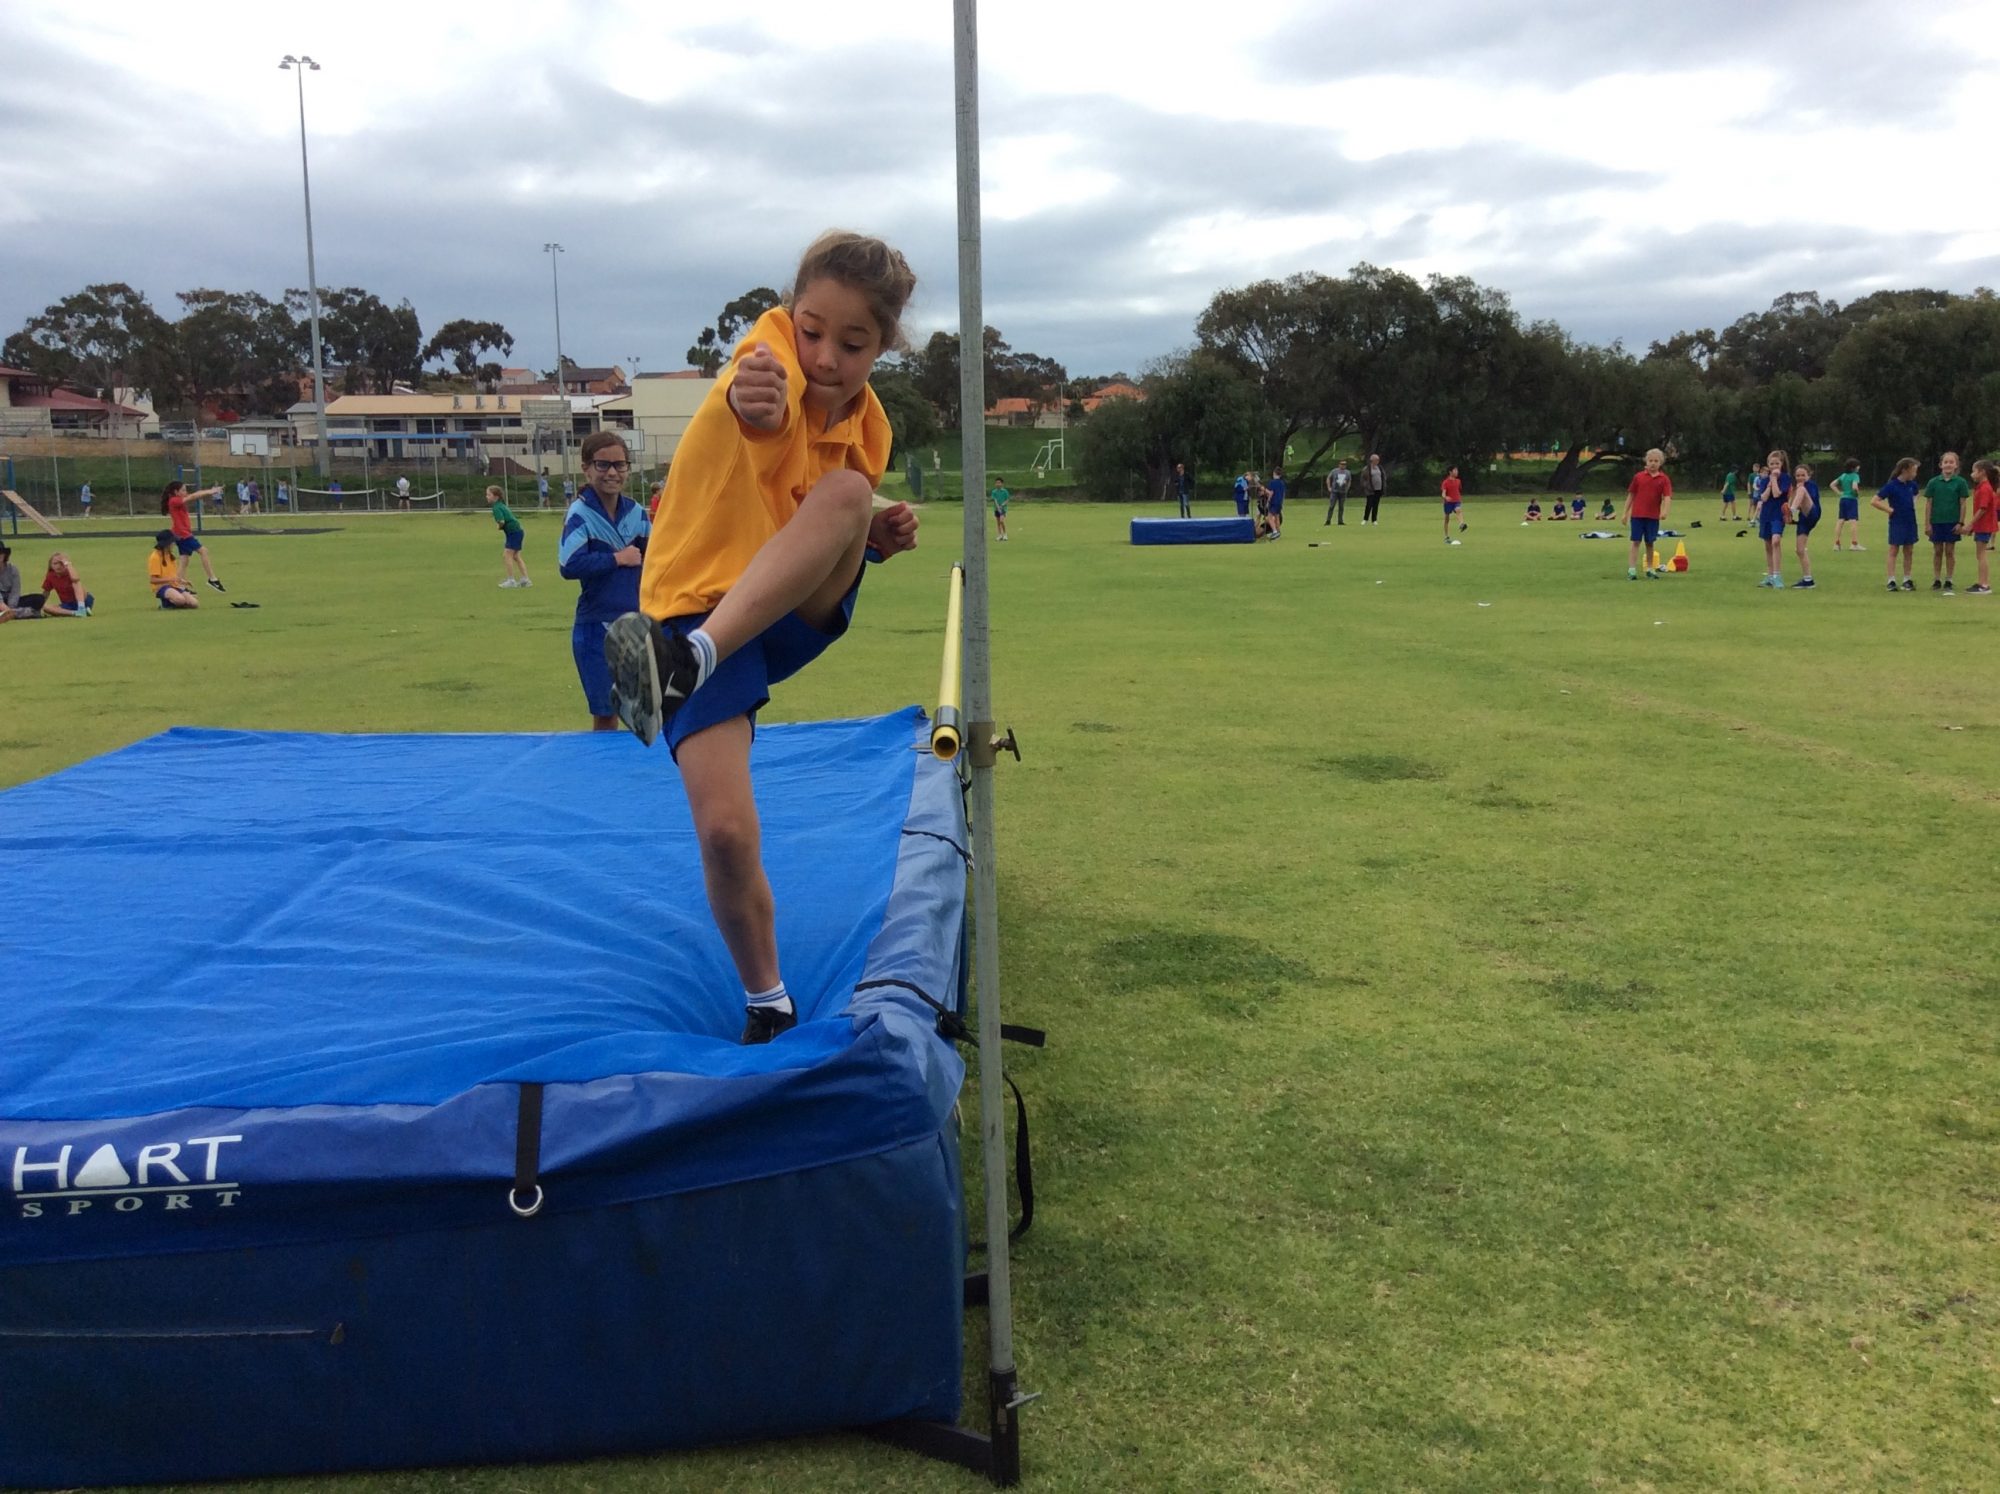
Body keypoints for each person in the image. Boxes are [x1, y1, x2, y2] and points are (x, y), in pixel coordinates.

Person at [601, 231, 920, 1045]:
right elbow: (761, 401)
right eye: (812, 330)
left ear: (885, 345)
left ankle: (687, 665)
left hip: (768, 616)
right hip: (691, 604)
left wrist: (870, 538)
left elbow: (810, 513)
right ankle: (768, 1002)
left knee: (850, 494)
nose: (825, 356)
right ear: (790, 315)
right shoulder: (766, 355)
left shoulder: (872, 426)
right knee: (726, 832)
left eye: (854, 343)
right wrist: (759, 398)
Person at [159, 480, 226, 591]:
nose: (185, 492)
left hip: (181, 533)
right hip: (183, 534)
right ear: (176, 492)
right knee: (203, 551)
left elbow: (195, 495)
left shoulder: (177, 500)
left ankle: (179, 585)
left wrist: (211, 491)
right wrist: (211, 491)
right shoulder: (174, 500)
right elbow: (194, 496)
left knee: (184, 560)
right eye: (183, 490)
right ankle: (212, 579)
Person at [1872, 457, 1922, 592]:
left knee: (1909, 550)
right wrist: (1889, 510)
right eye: (1914, 470)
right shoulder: (1892, 486)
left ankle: (1907, 579)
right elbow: (1875, 501)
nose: (1915, 474)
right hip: (1897, 521)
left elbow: (1917, 494)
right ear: (1905, 470)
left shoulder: (1912, 485)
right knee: (1894, 550)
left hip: (1910, 521)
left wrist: (1913, 503)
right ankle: (1891, 580)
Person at [1922, 451, 1969, 592]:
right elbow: (1929, 503)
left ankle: (1949, 579)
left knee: (1949, 551)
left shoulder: (1960, 482)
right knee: (1937, 550)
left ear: (1956, 465)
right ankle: (1937, 579)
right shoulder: (1933, 482)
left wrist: (1960, 522)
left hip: (1952, 521)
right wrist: (1927, 523)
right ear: (1941, 465)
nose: (1948, 465)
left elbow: (1963, 503)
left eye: (1951, 462)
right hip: (1936, 521)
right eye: (1946, 462)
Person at [1623, 448, 1672, 578]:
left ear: (1660, 463)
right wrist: (1625, 513)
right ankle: (1632, 569)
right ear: (1646, 461)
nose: (1653, 463)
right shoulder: (1638, 477)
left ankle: (1650, 568)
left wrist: (1665, 511)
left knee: (1650, 542)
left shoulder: (1663, 479)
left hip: (1653, 516)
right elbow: (1631, 495)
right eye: (1650, 461)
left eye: (1656, 461)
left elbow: (1667, 496)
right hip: (1637, 515)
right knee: (1635, 541)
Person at [1752, 450, 1791, 587]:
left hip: (1778, 514)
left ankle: (1777, 575)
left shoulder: (1785, 478)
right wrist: (1769, 484)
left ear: (1782, 464)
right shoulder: (1764, 480)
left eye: (1777, 463)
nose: (1774, 466)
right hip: (1766, 515)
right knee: (1768, 545)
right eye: (1771, 464)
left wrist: (1774, 480)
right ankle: (1769, 576)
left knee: (1776, 541)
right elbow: (1763, 497)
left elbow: (1777, 494)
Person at [487, 485, 531, 587]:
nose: (487, 497)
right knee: (515, 556)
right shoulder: (501, 505)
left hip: (513, 532)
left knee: (507, 555)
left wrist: (499, 526)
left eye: (489, 495)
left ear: (496, 497)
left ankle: (511, 580)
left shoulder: (496, 507)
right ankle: (525, 579)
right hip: (518, 531)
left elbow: (501, 521)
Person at [1965, 458, 1998, 595]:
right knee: (1980, 555)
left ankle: (1984, 585)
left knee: (1982, 555)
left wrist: (1970, 524)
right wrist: (1973, 526)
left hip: (1985, 526)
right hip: (1981, 526)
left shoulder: (1985, 488)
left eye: (1974, 471)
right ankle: (1981, 582)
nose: (1972, 474)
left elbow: (1983, 509)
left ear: (1982, 472)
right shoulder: (1981, 487)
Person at [1787, 462, 1822, 588]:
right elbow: (1792, 501)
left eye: (1803, 475)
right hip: (1803, 519)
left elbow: (1807, 499)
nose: (1800, 478)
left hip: (1812, 513)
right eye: (1798, 476)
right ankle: (1808, 580)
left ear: (1809, 475)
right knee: (1800, 550)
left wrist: (1792, 510)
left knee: (1801, 489)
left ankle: (1792, 512)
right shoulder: (1795, 488)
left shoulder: (1810, 485)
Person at [147, 530, 200, 609]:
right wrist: (171, 579)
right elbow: (153, 580)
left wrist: (181, 581)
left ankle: (176, 601)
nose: (174, 544)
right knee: (180, 600)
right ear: (166, 543)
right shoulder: (155, 557)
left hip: (173, 585)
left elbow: (173, 575)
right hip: (161, 587)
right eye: (172, 542)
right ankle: (165, 604)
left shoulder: (170, 556)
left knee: (194, 604)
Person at [40, 551, 93, 617]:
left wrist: (68, 564)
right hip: (67, 604)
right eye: (55, 563)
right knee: (45, 607)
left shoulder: (70, 571)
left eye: (61, 563)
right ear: (51, 565)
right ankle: (76, 613)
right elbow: (46, 592)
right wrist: (39, 606)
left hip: (83, 600)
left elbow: (76, 579)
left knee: (76, 583)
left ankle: (81, 608)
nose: (58, 566)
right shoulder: (51, 576)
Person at [1831, 459, 1864, 551]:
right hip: (1851, 500)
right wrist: (1857, 493)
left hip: (1843, 499)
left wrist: (1840, 493)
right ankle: (1854, 543)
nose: (1859, 467)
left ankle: (1836, 544)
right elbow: (1854, 487)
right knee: (1853, 521)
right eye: (1857, 466)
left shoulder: (1843, 475)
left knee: (1840, 520)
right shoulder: (1855, 476)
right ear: (1853, 467)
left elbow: (1832, 484)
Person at [0, 542, 34, 620]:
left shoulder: (13, 569)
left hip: (9, 601)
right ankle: (18, 613)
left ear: (5, 555)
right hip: (1, 603)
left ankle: (9, 613)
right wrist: (7, 610)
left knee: (38, 599)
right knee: (30, 610)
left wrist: (11, 607)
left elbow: (15, 591)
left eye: (0, 553)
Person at [1439, 465, 1463, 545]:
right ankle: (1446, 536)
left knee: (1458, 510)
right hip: (1448, 503)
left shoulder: (1458, 481)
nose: (1457, 472)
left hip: (1456, 501)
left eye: (1457, 470)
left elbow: (1458, 490)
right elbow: (1443, 493)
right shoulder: (1445, 482)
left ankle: (1461, 524)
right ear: (1450, 472)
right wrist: (1446, 497)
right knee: (1447, 519)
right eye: (1455, 470)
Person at [1361, 454, 1386, 524]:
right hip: (1370, 490)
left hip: (1378, 489)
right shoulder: (1366, 469)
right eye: (1376, 460)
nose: (1378, 461)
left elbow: (1383, 477)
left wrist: (1383, 486)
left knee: (1376, 505)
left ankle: (1374, 520)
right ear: (1372, 460)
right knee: (1369, 504)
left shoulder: (1380, 468)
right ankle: (1365, 519)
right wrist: (1366, 486)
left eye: (1378, 460)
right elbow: (1363, 479)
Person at [1324, 460, 1350, 525]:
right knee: (1331, 506)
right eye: (1342, 464)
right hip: (1334, 492)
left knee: (1341, 507)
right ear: (1339, 465)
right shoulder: (1334, 471)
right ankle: (1328, 520)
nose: (1343, 465)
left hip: (1343, 492)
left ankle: (1340, 521)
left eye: (1344, 464)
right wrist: (1329, 487)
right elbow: (1328, 478)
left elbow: (1349, 480)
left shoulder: (1347, 472)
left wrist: (1347, 488)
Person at [1266, 468, 1286, 538]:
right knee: (1277, 517)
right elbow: (1283, 493)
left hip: (1274, 502)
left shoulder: (1272, 482)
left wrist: (1268, 501)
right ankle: (1278, 531)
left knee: (1269, 517)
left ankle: (1274, 531)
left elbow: (1271, 493)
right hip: (1279, 502)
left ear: (1274, 473)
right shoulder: (1282, 483)